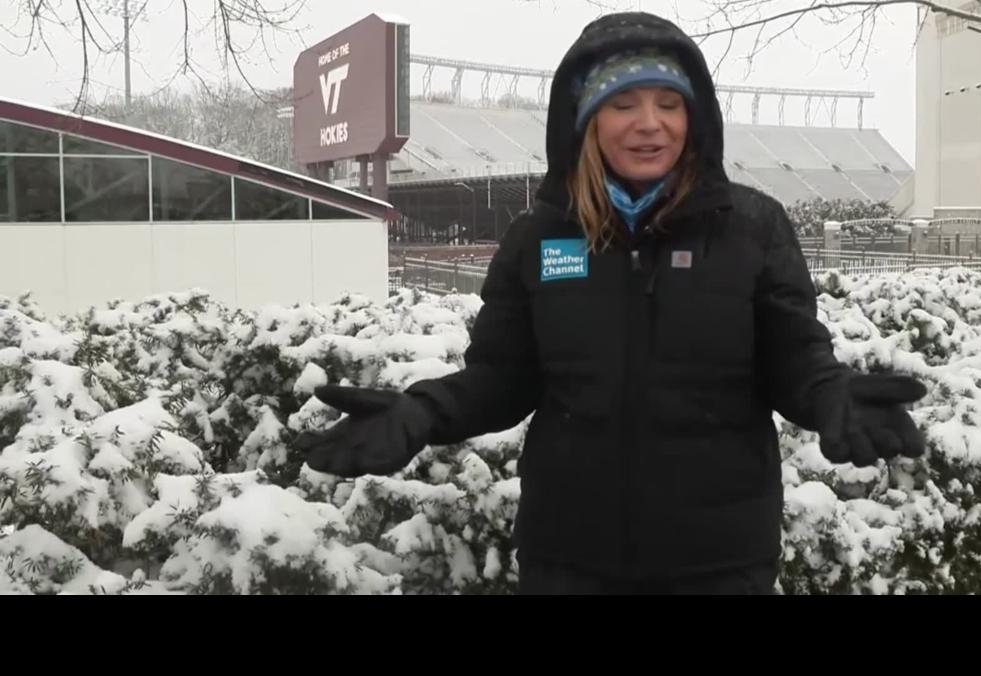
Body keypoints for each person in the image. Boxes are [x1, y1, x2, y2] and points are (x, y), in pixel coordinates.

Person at [295, 11, 927, 594]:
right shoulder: (538, 237)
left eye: (668, 104)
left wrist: (832, 395)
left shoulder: (752, 228)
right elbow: (502, 379)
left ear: (694, 117)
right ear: (586, 119)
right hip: (568, 560)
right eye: (623, 104)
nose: (650, 123)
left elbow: (795, 360)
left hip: (718, 562)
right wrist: (421, 412)